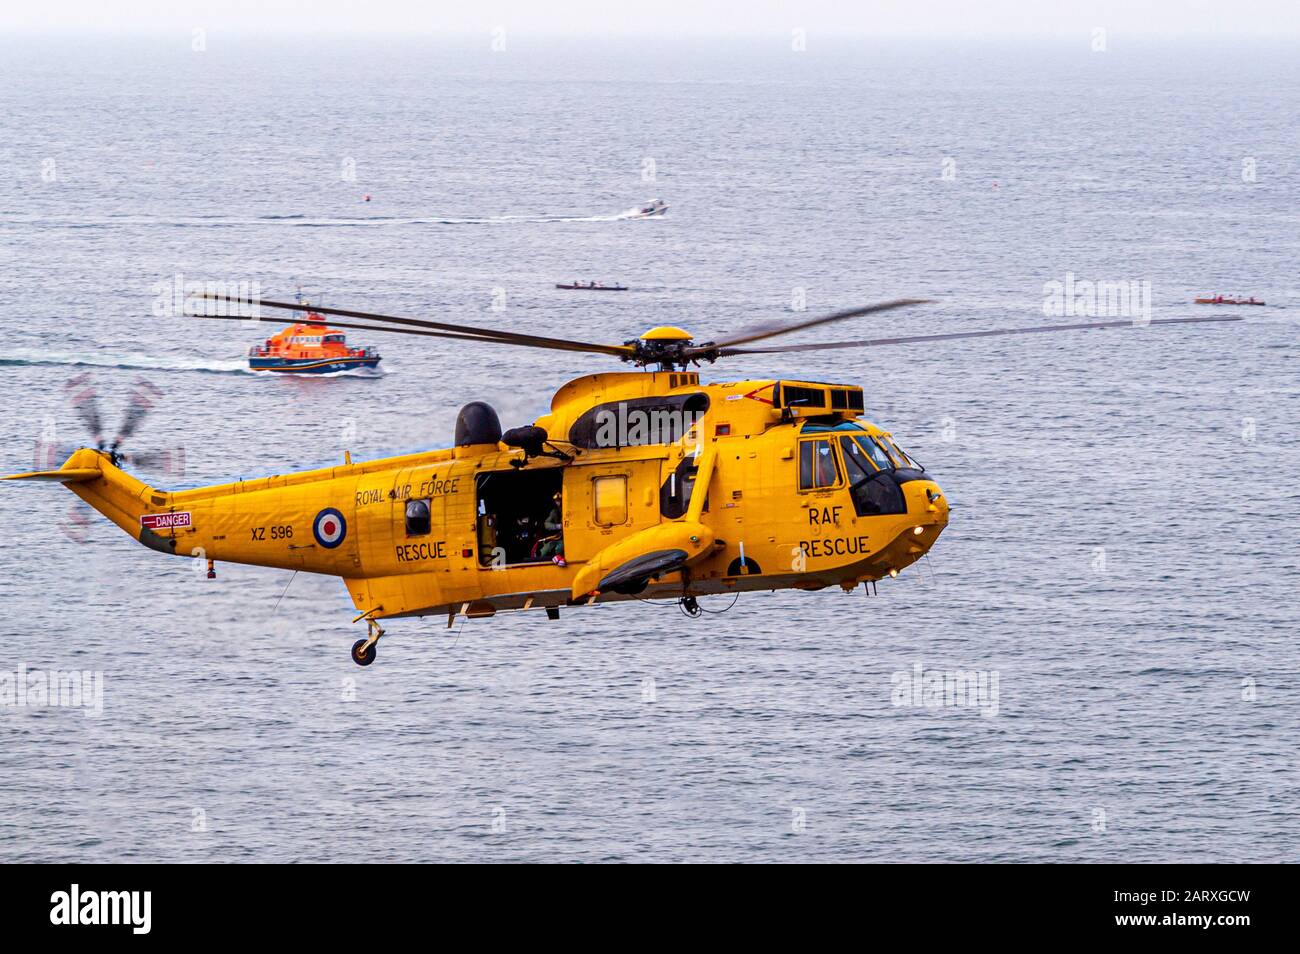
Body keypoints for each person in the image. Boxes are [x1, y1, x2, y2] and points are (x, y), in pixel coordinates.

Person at [538, 492, 565, 566]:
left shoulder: (568, 510)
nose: (558, 502)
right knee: (546, 548)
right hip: (558, 536)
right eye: (557, 501)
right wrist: (557, 526)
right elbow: (547, 524)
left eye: (560, 500)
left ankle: (559, 558)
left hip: (567, 538)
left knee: (560, 547)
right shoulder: (554, 512)